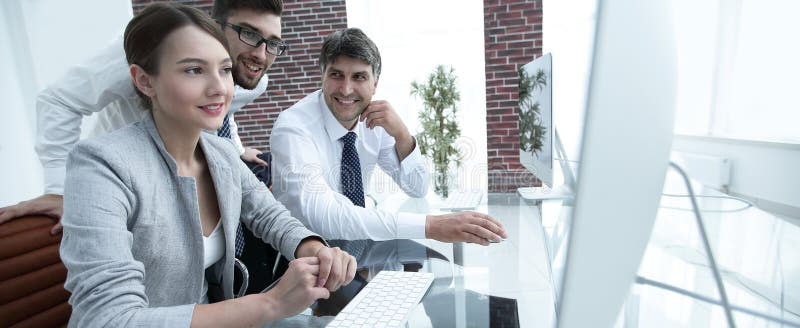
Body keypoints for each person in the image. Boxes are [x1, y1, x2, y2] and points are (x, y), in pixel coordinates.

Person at [60, 4, 356, 326]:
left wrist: (311, 247)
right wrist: (270, 304)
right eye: (194, 70)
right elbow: (108, 319)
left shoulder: (220, 152)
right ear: (145, 81)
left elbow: (269, 215)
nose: (219, 88)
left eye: (225, 70)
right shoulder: (101, 165)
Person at [0, 0, 282, 235]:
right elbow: (60, 100)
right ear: (214, 26)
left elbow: (225, 112)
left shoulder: (255, 81)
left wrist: (236, 149)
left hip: (179, 183)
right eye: (248, 33)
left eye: (272, 43)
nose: (260, 53)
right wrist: (60, 190)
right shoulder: (155, 48)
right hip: (121, 185)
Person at [270, 28, 507, 245]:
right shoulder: (293, 128)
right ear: (322, 76)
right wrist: (430, 226)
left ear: (375, 83)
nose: (346, 89)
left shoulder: (375, 121)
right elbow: (323, 216)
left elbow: (417, 188)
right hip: (305, 260)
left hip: (360, 249)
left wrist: (403, 135)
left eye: (359, 77)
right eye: (336, 75)